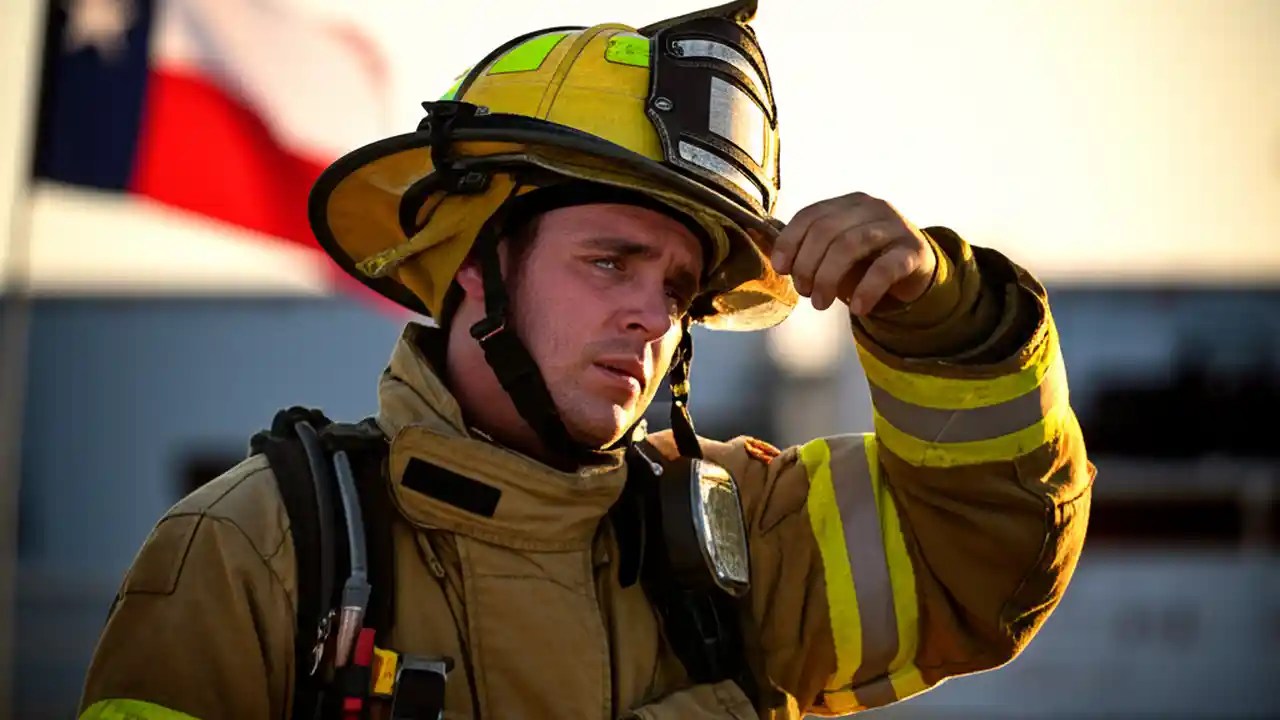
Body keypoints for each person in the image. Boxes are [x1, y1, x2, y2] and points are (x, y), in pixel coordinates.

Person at [77, 1, 1094, 718]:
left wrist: (938, 312)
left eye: (677, 288)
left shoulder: (744, 546)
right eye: (609, 262)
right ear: (478, 263)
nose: (650, 317)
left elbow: (985, 573)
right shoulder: (255, 549)